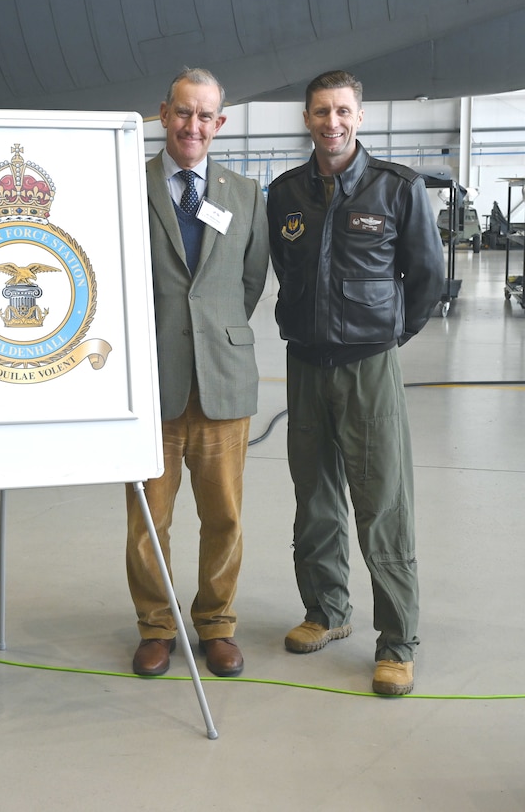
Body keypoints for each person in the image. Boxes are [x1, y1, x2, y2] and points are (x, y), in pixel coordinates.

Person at [266, 70, 444, 695]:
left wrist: (386, 337)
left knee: (382, 505)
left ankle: (397, 641)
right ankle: (327, 612)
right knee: (314, 496)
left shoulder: (397, 188)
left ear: (359, 116)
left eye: (342, 111)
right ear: (307, 118)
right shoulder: (285, 192)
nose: (332, 122)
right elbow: (281, 273)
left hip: (369, 366)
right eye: (320, 112)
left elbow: (426, 278)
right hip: (305, 364)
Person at [127, 68, 269, 678]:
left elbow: (250, 280)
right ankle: (156, 626)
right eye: (183, 113)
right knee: (147, 523)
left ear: (220, 123)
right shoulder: (128, 187)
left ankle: (216, 624)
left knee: (225, 517)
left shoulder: (244, 193)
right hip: (150, 383)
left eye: (205, 116)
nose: (193, 126)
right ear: (164, 114)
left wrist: (215, 330)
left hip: (222, 379)